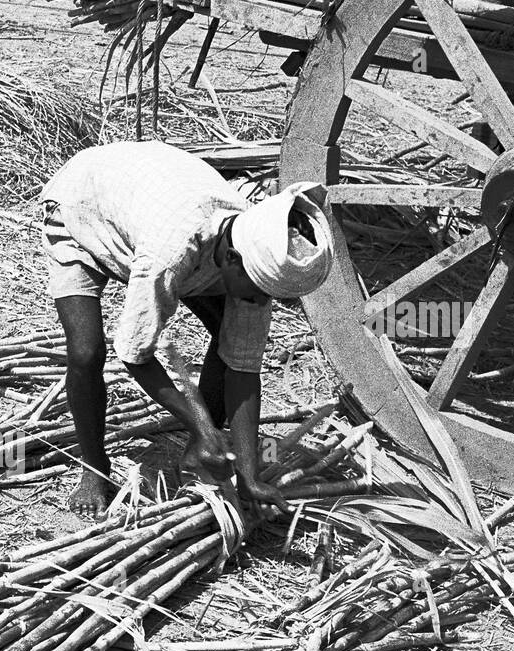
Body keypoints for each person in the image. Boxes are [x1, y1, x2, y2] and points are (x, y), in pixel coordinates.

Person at [42, 140, 332, 519]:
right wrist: (197, 422)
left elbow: (244, 369)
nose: (261, 300)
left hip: (142, 202)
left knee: (225, 333)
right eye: (257, 289)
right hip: (82, 206)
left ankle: (200, 446)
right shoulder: (170, 252)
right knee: (86, 351)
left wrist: (250, 476)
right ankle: (94, 470)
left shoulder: (256, 247)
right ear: (231, 259)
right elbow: (134, 352)